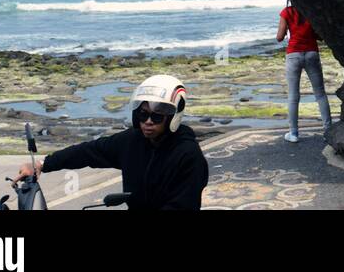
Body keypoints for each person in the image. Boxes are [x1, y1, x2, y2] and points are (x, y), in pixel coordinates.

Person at [16, 73, 208, 210]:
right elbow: (88, 151)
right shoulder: (132, 141)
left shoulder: (188, 156)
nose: (148, 122)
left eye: (157, 117)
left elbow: (182, 205)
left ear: (173, 117)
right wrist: (43, 164)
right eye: (143, 114)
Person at [277, 0, 332, 142]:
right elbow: (319, 35)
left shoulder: (286, 12)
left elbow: (279, 37)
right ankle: (328, 131)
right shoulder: (310, 12)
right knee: (320, 94)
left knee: (293, 96)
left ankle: (294, 134)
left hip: (294, 54)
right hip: (312, 53)